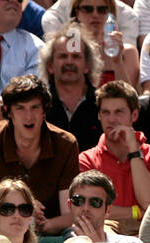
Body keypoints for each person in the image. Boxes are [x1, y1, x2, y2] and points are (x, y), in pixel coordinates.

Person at [0, 74, 79, 233]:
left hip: (49, 227)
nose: (29, 116)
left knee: (76, 234)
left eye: (35, 107)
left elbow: (70, 213)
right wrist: (20, 206)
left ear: (44, 110)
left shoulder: (65, 144)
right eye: (20, 108)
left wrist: (45, 225)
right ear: (8, 111)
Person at [77, 80, 150, 236]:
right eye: (106, 112)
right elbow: (88, 211)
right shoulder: (86, 159)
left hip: (147, 238)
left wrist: (134, 151)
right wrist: (136, 212)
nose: (111, 119)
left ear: (134, 115)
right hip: (103, 237)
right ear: (99, 116)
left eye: (119, 112)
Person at [39, 26, 103, 154]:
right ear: (50, 65)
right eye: (63, 56)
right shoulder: (38, 104)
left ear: (87, 66)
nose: (69, 62)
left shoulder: (103, 104)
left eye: (76, 56)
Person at [70, 0, 138, 88]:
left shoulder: (127, 53)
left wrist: (118, 62)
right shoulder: (69, 51)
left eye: (102, 9)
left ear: (111, 13)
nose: (95, 15)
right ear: (77, 13)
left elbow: (128, 97)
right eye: (87, 9)